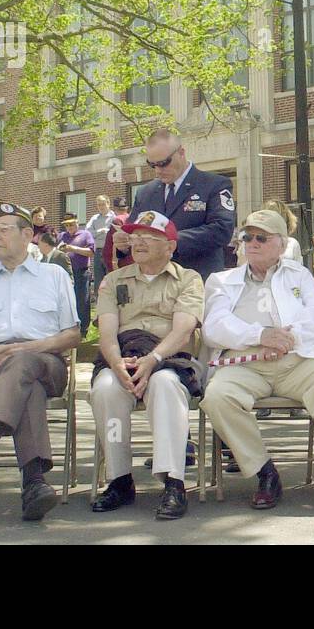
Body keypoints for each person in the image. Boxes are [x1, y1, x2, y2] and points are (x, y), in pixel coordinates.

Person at [200, 209, 314, 515]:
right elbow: (214, 327)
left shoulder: (299, 275)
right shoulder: (221, 280)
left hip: (296, 361)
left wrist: (289, 338)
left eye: (262, 237)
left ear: (281, 244)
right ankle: (265, 473)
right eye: (247, 236)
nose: (253, 242)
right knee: (218, 397)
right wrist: (261, 335)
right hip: (244, 365)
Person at [0, 202, 81, 521]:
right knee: (27, 388)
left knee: (25, 362)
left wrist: (35, 346)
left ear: (27, 235)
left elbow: (72, 335)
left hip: (47, 360)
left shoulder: (54, 275)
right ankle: (35, 482)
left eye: (2, 230)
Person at [89, 211, 204, 520]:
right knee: (104, 389)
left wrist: (152, 360)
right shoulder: (113, 281)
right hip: (124, 357)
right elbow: (108, 332)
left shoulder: (188, 280)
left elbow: (182, 331)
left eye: (148, 236)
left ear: (169, 246)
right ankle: (119, 479)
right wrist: (115, 363)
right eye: (134, 235)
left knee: (165, 385)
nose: (137, 241)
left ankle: (173, 482)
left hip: (169, 358)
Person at [120, 128, 236, 282]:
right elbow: (133, 230)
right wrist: (123, 243)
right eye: (152, 165)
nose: (158, 171)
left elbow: (222, 230)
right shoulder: (145, 192)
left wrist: (169, 241)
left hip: (196, 278)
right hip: (152, 283)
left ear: (181, 153)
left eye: (164, 163)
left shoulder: (214, 184)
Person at [58, 214, 95, 336]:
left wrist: (73, 249)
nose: (69, 227)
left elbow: (90, 252)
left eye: (72, 224)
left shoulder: (85, 235)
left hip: (81, 271)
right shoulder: (62, 236)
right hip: (66, 273)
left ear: (77, 223)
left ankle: (83, 329)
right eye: (67, 225)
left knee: (82, 301)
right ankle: (69, 327)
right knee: (67, 301)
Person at [86, 195, 116, 294]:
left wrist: (102, 233)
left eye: (103, 204)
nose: (101, 207)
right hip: (98, 252)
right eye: (99, 205)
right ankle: (100, 303)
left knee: (112, 277)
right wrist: (100, 231)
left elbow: (114, 234)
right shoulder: (94, 219)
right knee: (98, 280)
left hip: (111, 252)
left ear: (108, 204)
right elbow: (88, 233)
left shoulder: (114, 218)